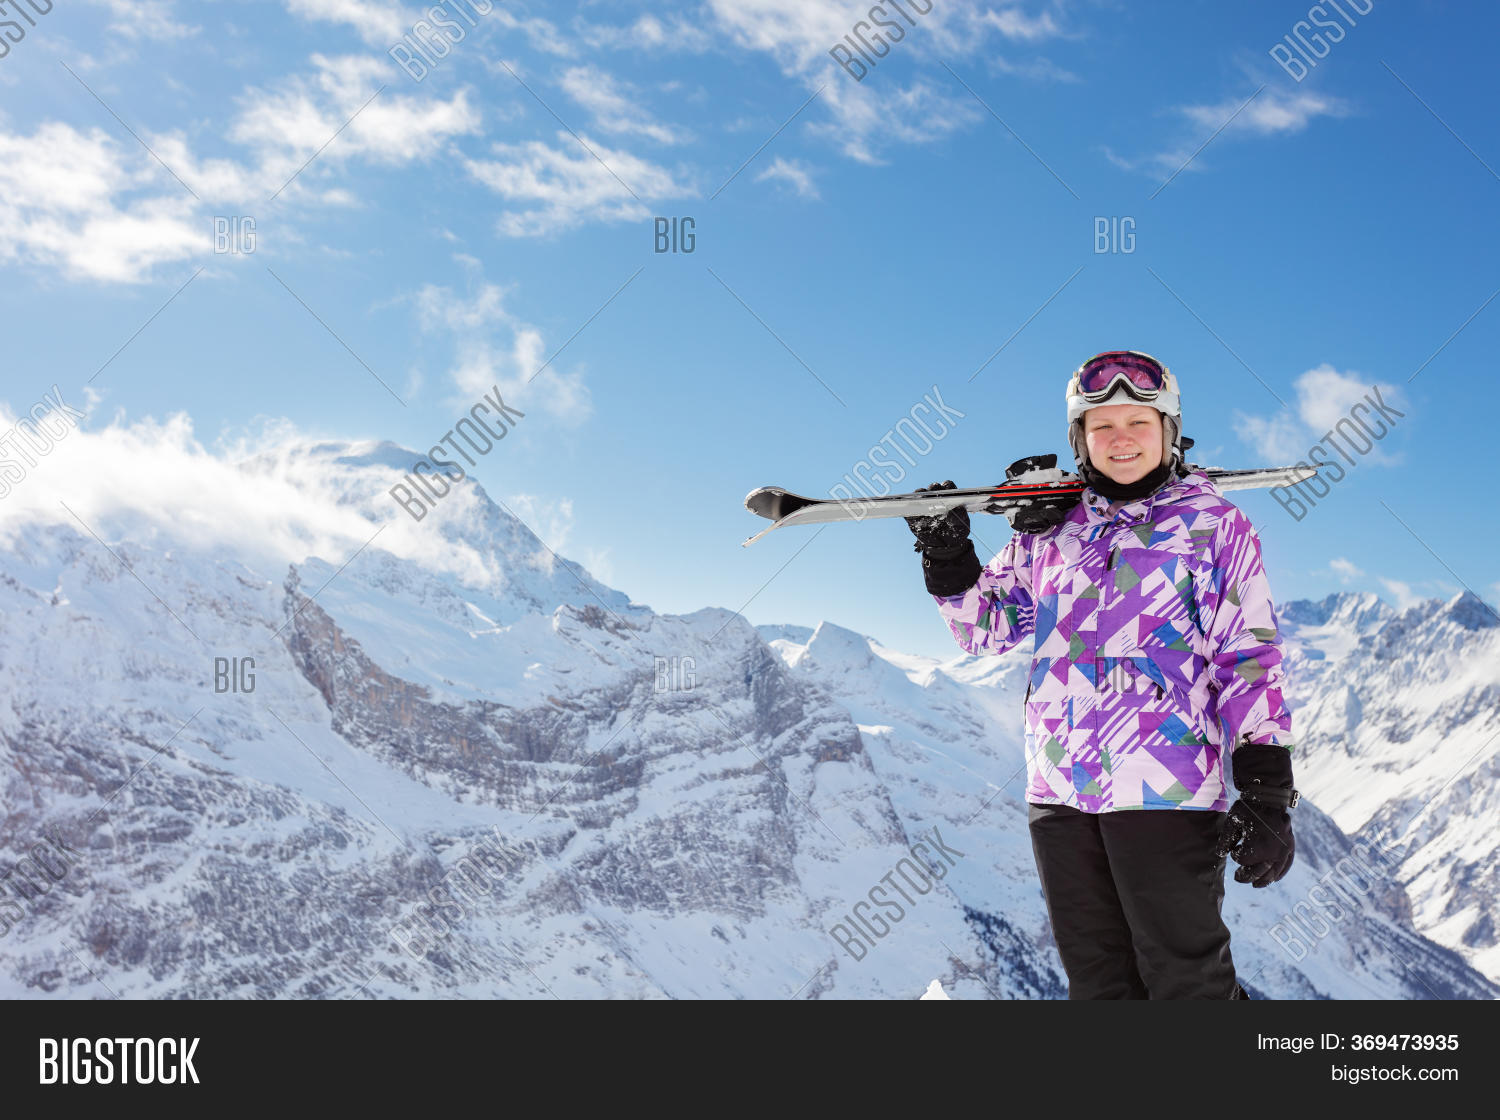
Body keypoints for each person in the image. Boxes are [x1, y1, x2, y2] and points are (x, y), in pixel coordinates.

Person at [905, 350, 1299, 1000]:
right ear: (1079, 440)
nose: (1120, 440)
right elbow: (987, 629)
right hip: (1059, 791)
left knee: (1187, 984)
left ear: (1168, 433)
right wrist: (949, 555)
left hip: (1164, 791)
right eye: (1102, 426)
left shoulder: (1213, 527)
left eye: (1138, 423)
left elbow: (1246, 658)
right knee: (1099, 989)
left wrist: (1266, 788)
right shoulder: (1051, 530)